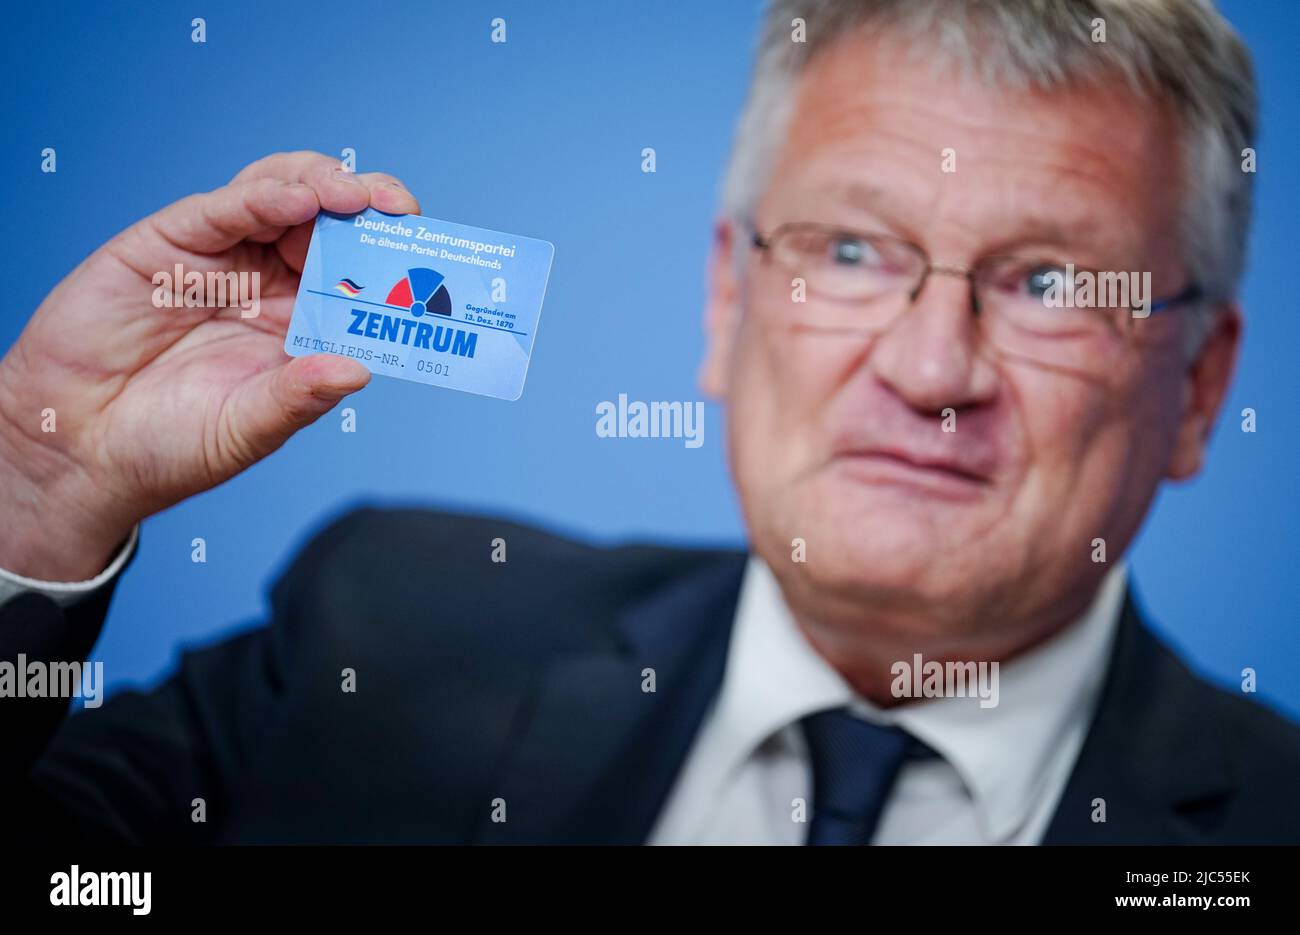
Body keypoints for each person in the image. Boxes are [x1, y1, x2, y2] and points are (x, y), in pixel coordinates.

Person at [2, 0, 1297, 845]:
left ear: (1196, 389)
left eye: (1051, 285)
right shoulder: (381, 632)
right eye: (851, 250)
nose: (931, 366)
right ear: (729, 299)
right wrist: (41, 497)